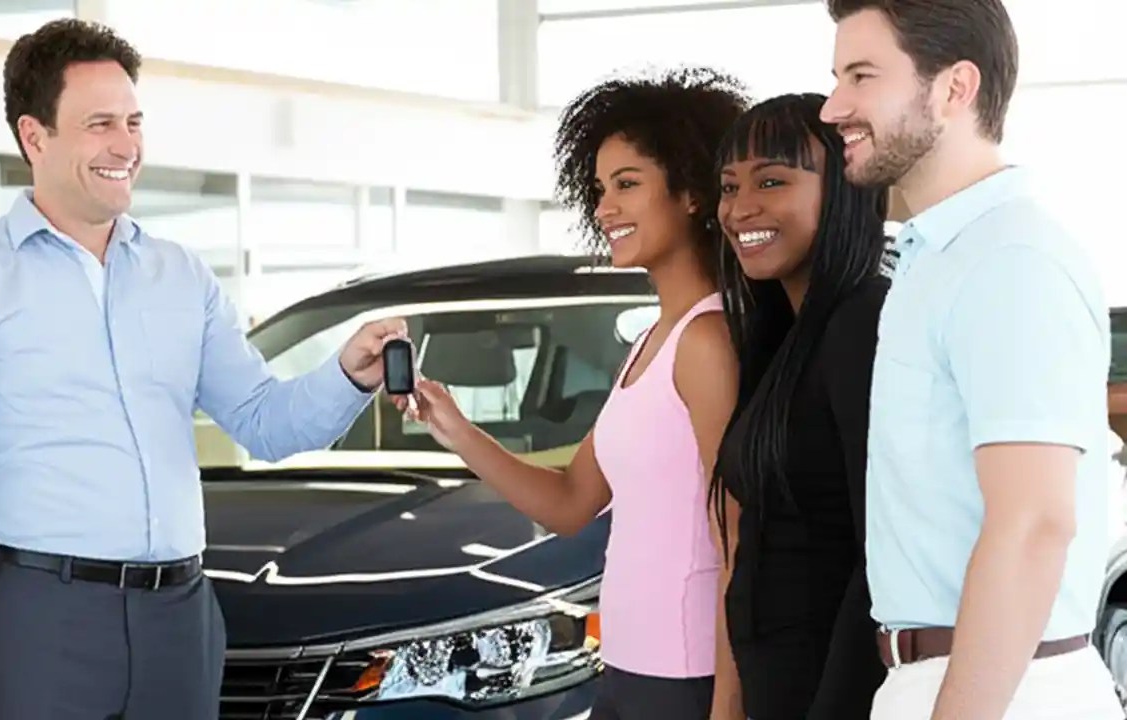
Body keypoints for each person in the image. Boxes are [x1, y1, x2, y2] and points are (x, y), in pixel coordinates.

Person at [0, 18, 403, 720]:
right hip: (43, 620)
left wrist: (348, 374)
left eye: (133, 122)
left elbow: (264, 421)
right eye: (100, 125)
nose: (126, 145)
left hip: (180, 622)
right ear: (35, 137)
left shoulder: (180, 275)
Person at [400, 66, 749, 719]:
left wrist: (728, 708)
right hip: (625, 669)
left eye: (627, 184)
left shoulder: (706, 341)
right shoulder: (649, 344)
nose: (604, 208)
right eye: (598, 189)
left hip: (686, 678)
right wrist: (454, 428)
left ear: (692, 192)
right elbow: (569, 503)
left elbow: (740, 542)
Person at [821, 1, 1121, 718]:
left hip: (1006, 689)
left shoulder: (1009, 258)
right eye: (837, 78)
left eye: (862, 76)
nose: (833, 107)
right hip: (951, 679)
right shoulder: (940, 257)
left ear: (955, 87)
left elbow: (1034, 523)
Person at [705, 93, 891, 720]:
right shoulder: (780, 333)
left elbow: (878, 561)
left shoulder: (863, 321)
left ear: (845, 189)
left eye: (772, 181)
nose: (740, 209)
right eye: (729, 187)